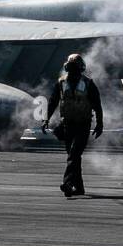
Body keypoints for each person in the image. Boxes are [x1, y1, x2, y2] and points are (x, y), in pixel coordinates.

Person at [42, 53, 103, 197]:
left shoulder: (89, 84)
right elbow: (53, 102)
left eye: (75, 68)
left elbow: (97, 105)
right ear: (67, 68)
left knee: (74, 155)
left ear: (80, 69)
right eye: (71, 68)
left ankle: (67, 184)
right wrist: (46, 120)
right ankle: (79, 188)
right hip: (67, 124)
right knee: (73, 156)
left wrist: (99, 124)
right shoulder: (61, 83)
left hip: (83, 125)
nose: (73, 72)